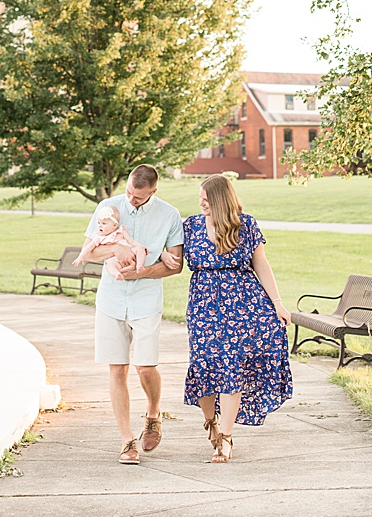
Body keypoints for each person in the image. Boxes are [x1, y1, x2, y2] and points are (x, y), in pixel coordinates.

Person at [183, 174, 292, 463]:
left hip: (244, 305)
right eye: (200, 199)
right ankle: (211, 423)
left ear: (220, 200)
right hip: (203, 306)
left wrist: (277, 304)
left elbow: (261, 265)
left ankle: (226, 438)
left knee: (232, 368)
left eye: (206, 199)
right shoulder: (191, 226)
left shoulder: (247, 225)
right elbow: (169, 257)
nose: (201, 203)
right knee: (203, 365)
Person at [80, 164, 183, 465]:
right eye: (128, 193)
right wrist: (114, 252)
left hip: (146, 300)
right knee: (117, 368)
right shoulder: (108, 207)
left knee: (145, 368)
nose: (130, 201)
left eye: (137, 197)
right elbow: (89, 251)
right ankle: (127, 441)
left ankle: (153, 413)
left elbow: (175, 264)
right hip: (111, 300)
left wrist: (144, 271)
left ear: (153, 191)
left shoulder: (169, 215)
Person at [74, 205, 149, 277]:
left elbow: (131, 241)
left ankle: (139, 266)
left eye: (104, 223)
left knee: (140, 249)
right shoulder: (99, 237)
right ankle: (117, 274)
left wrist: (140, 246)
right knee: (110, 266)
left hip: (130, 251)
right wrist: (80, 257)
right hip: (113, 259)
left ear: (114, 225)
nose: (100, 225)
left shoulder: (121, 231)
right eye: (98, 223)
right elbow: (88, 247)